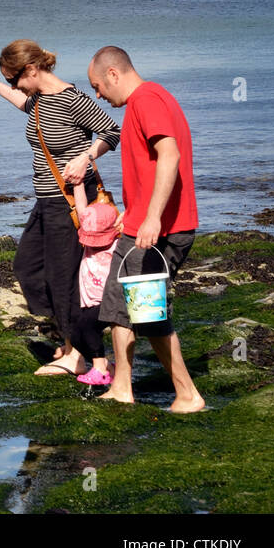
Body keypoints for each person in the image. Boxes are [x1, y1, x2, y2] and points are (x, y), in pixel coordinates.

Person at [0, 39, 121, 376]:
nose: (13, 85)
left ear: (32, 70)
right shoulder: (40, 99)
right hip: (46, 200)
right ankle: (70, 338)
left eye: (13, 78)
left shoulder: (71, 100)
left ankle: (77, 353)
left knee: (62, 277)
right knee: (28, 268)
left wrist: (86, 157)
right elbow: (27, 105)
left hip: (70, 200)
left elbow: (112, 131)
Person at [82, 46, 204, 412]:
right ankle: (121, 386)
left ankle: (187, 394)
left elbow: (170, 155)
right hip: (140, 227)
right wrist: (134, 213)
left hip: (162, 229)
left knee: (148, 315)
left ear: (114, 74)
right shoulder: (149, 99)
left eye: (98, 87)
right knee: (118, 308)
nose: (98, 95)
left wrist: (151, 217)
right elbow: (151, 167)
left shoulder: (147, 99)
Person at [70, 179, 118, 386]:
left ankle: (99, 369)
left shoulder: (117, 243)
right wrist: (78, 184)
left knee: (88, 328)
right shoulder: (89, 227)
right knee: (77, 336)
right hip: (88, 301)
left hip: (107, 301)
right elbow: (81, 207)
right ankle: (108, 367)